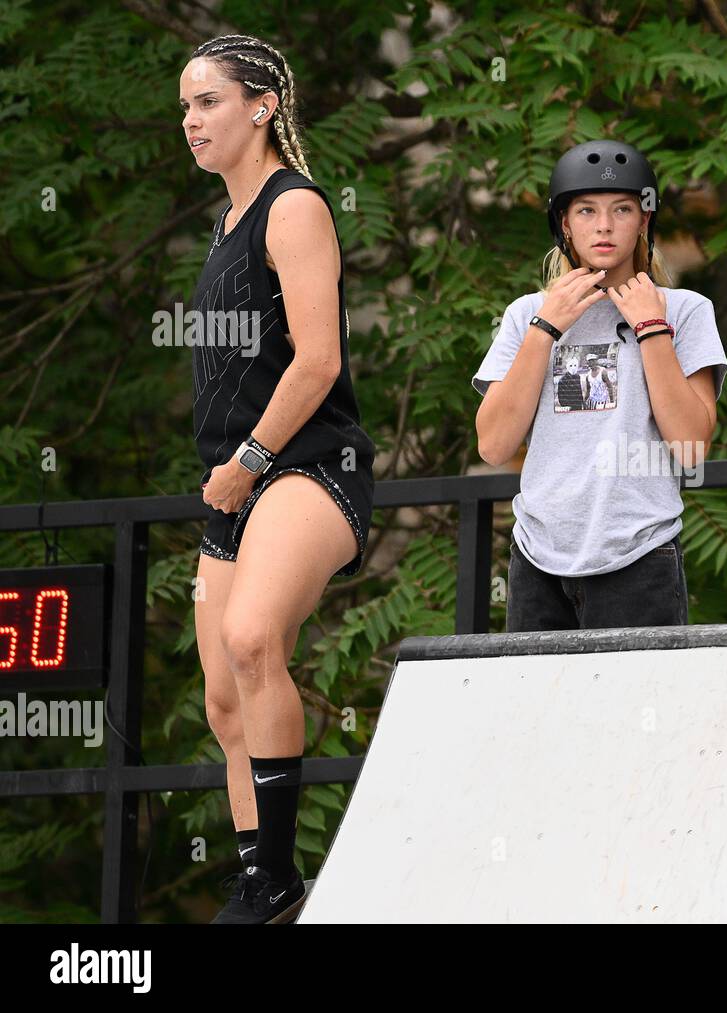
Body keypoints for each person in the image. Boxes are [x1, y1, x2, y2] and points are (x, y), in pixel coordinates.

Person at [180, 34, 375, 923]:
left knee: (255, 636)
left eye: (207, 102)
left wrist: (251, 459)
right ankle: (260, 877)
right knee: (224, 695)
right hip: (232, 481)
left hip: (305, 463)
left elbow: (318, 361)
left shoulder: (292, 207)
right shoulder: (223, 222)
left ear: (260, 106)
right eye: (185, 107)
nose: (191, 121)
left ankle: (277, 877)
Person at [473, 140, 727, 631]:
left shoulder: (685, 310)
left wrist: (652, 329)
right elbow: (493, 444)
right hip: (537, 559)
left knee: (638, 708)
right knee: (541, 709)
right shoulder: (526, 314)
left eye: (622, 210)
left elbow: (692, 446)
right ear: (565, 224)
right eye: (586, 210)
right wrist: (546, 328)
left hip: (640, 554)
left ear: (644, 222)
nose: (605, 226)